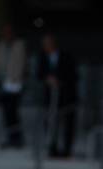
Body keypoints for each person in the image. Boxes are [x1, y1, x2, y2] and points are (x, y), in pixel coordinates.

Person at [36, 30, 76, 158]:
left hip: (66, 96)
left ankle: (67, 150)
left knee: (68, 123)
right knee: (50, 123)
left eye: (48, 43)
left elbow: (73, 75)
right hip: (50, 97)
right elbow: (39, 74)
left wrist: (60, 81)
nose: (46, 46)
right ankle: (52, 148)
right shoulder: (42, 57)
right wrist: (48, 79)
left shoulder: (66, 56)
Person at [0, 22, 26, 149]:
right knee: (6, 112)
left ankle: (17, 138)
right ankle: (10, 137)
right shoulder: (1, 45)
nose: (7, 34)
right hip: (3, 83)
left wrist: (16, 78)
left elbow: (21, 63)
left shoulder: (19, 45)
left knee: (12, 111)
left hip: (14, 83)